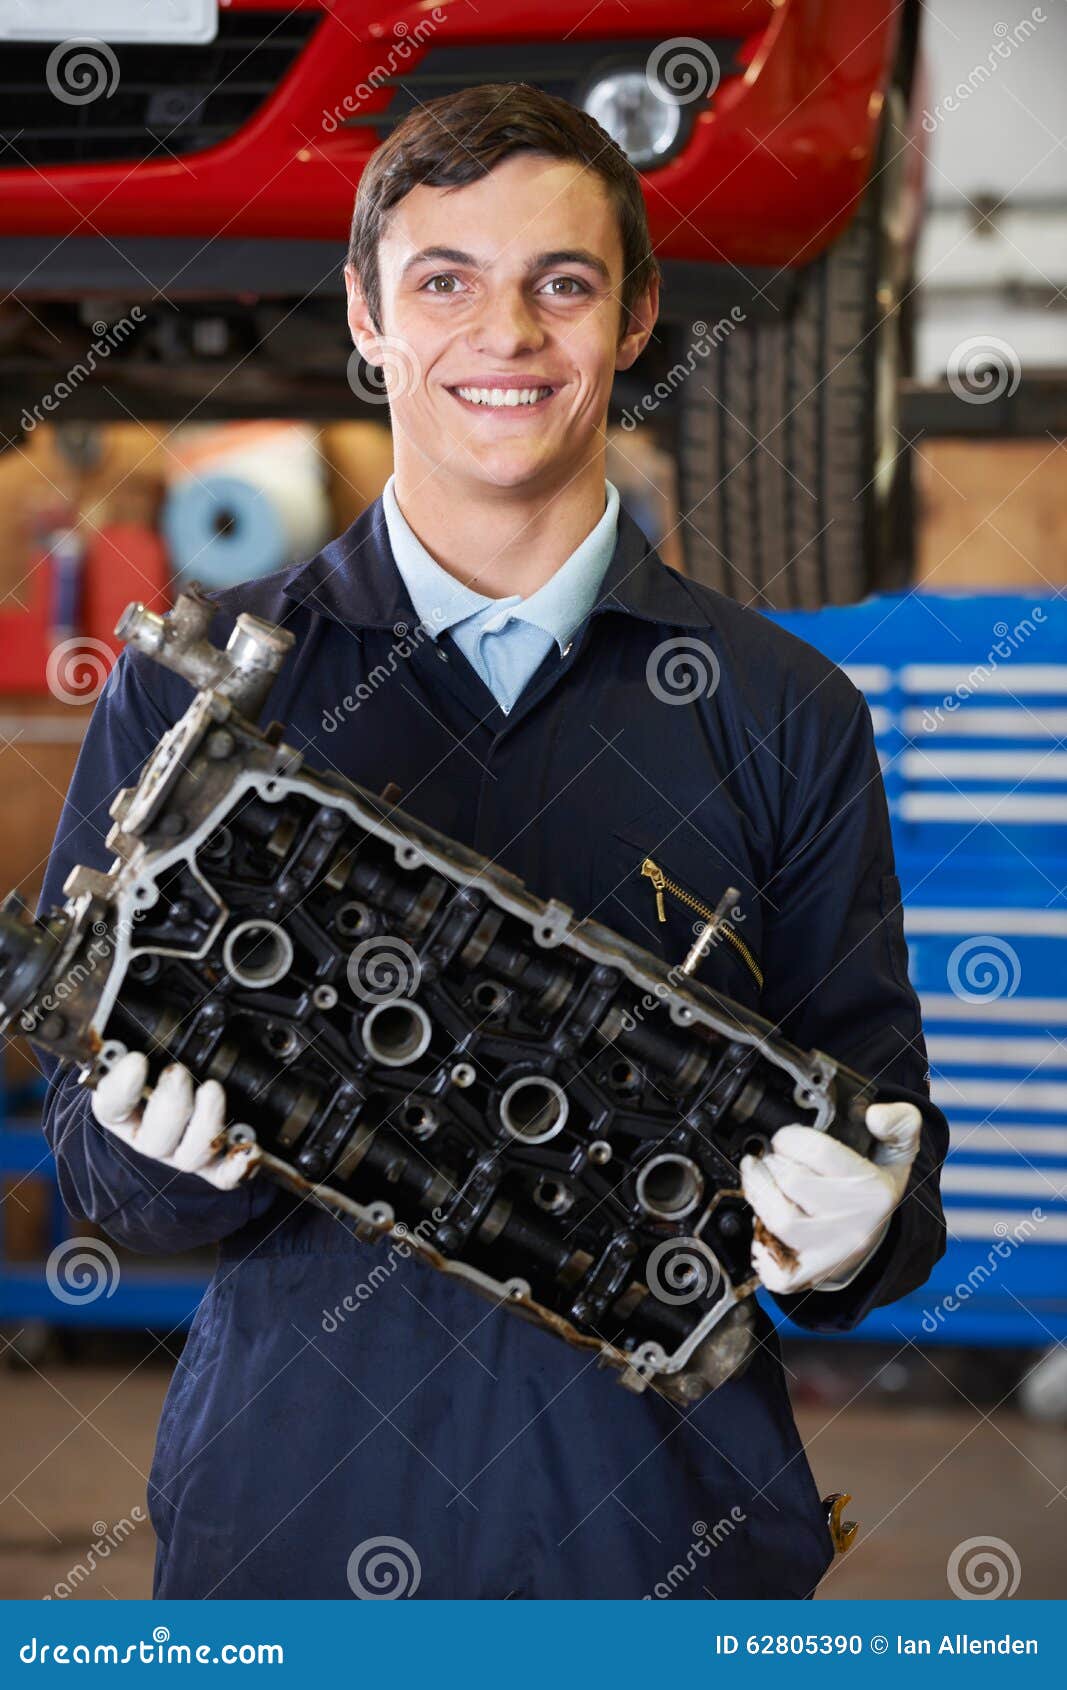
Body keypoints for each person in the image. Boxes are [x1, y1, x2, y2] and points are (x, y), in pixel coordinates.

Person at [34, 83, 947, 1600]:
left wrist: (850, 1234)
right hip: (290, 1536)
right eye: (445, 280)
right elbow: (95, 1166)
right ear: (367, 316)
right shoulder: (197, 689)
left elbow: (895, 1175)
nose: (506, 333)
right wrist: (166, 1156)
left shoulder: (783, 710)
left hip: (665, 1544)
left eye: (562, 283)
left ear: (638, 316)